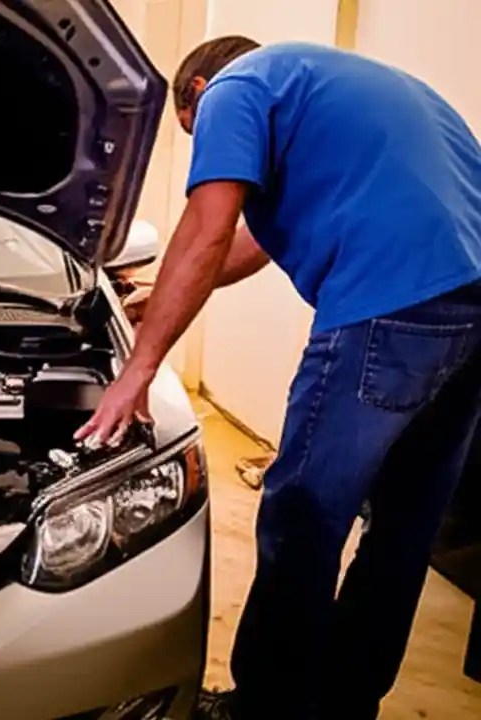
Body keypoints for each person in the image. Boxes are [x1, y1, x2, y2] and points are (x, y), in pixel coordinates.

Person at [75, 37, 481, 719]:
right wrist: (154, 302)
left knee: (303, 514)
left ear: (197, 92)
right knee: (406, 528)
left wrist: (138, 368)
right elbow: (246, 245)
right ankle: (346, 703)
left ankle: (267, 706)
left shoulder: (233, 90)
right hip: (470, 307)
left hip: (389, 301)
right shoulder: (337, 84)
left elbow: (206, 231)